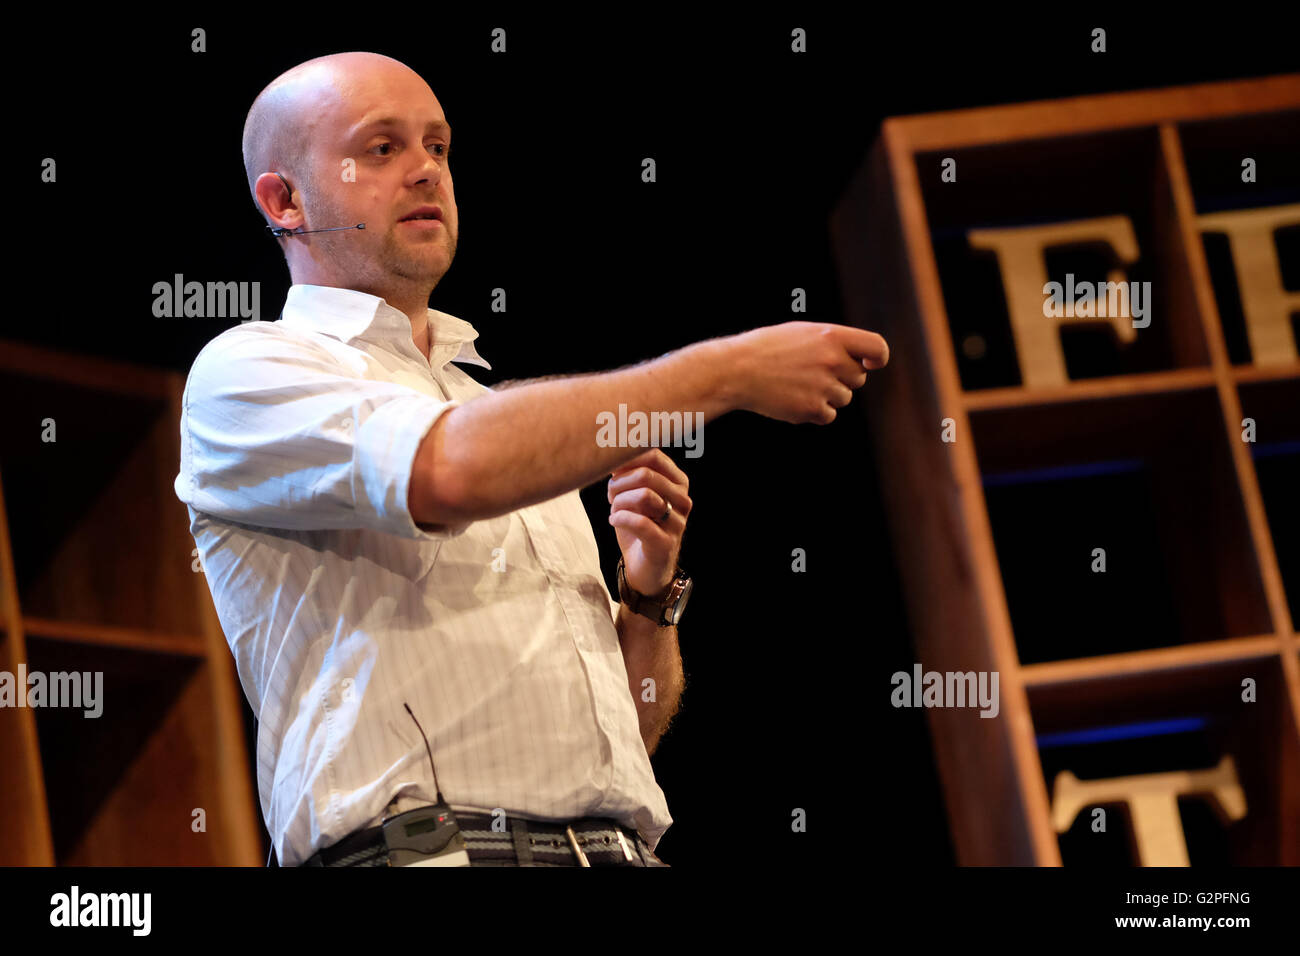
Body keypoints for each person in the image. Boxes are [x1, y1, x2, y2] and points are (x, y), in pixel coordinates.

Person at [175, 51, 888, 867]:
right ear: (284, 199)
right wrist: (724, 373)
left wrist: (648, 598)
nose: (425, 172)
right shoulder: (253, 370)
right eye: (382, 148)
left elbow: (627, 734)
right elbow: (448, 473)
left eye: (438, 147)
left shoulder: (499, 422)